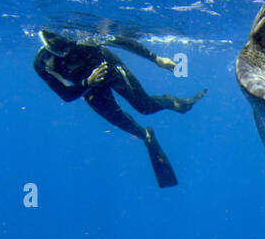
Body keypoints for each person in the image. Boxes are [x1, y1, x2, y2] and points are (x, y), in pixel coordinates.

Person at [34, 30, 206, 188]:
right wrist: (88, 83)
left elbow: (121, 41)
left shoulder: (81, 34)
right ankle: (146, 136)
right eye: (60, 52)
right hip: (88, 86)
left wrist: (155, 58)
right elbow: (66, 95)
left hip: (109, 67)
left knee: (144, 107)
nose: (67, 53)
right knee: (123, 123)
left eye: (69, 47)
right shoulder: (42, 63)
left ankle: (171, 102)